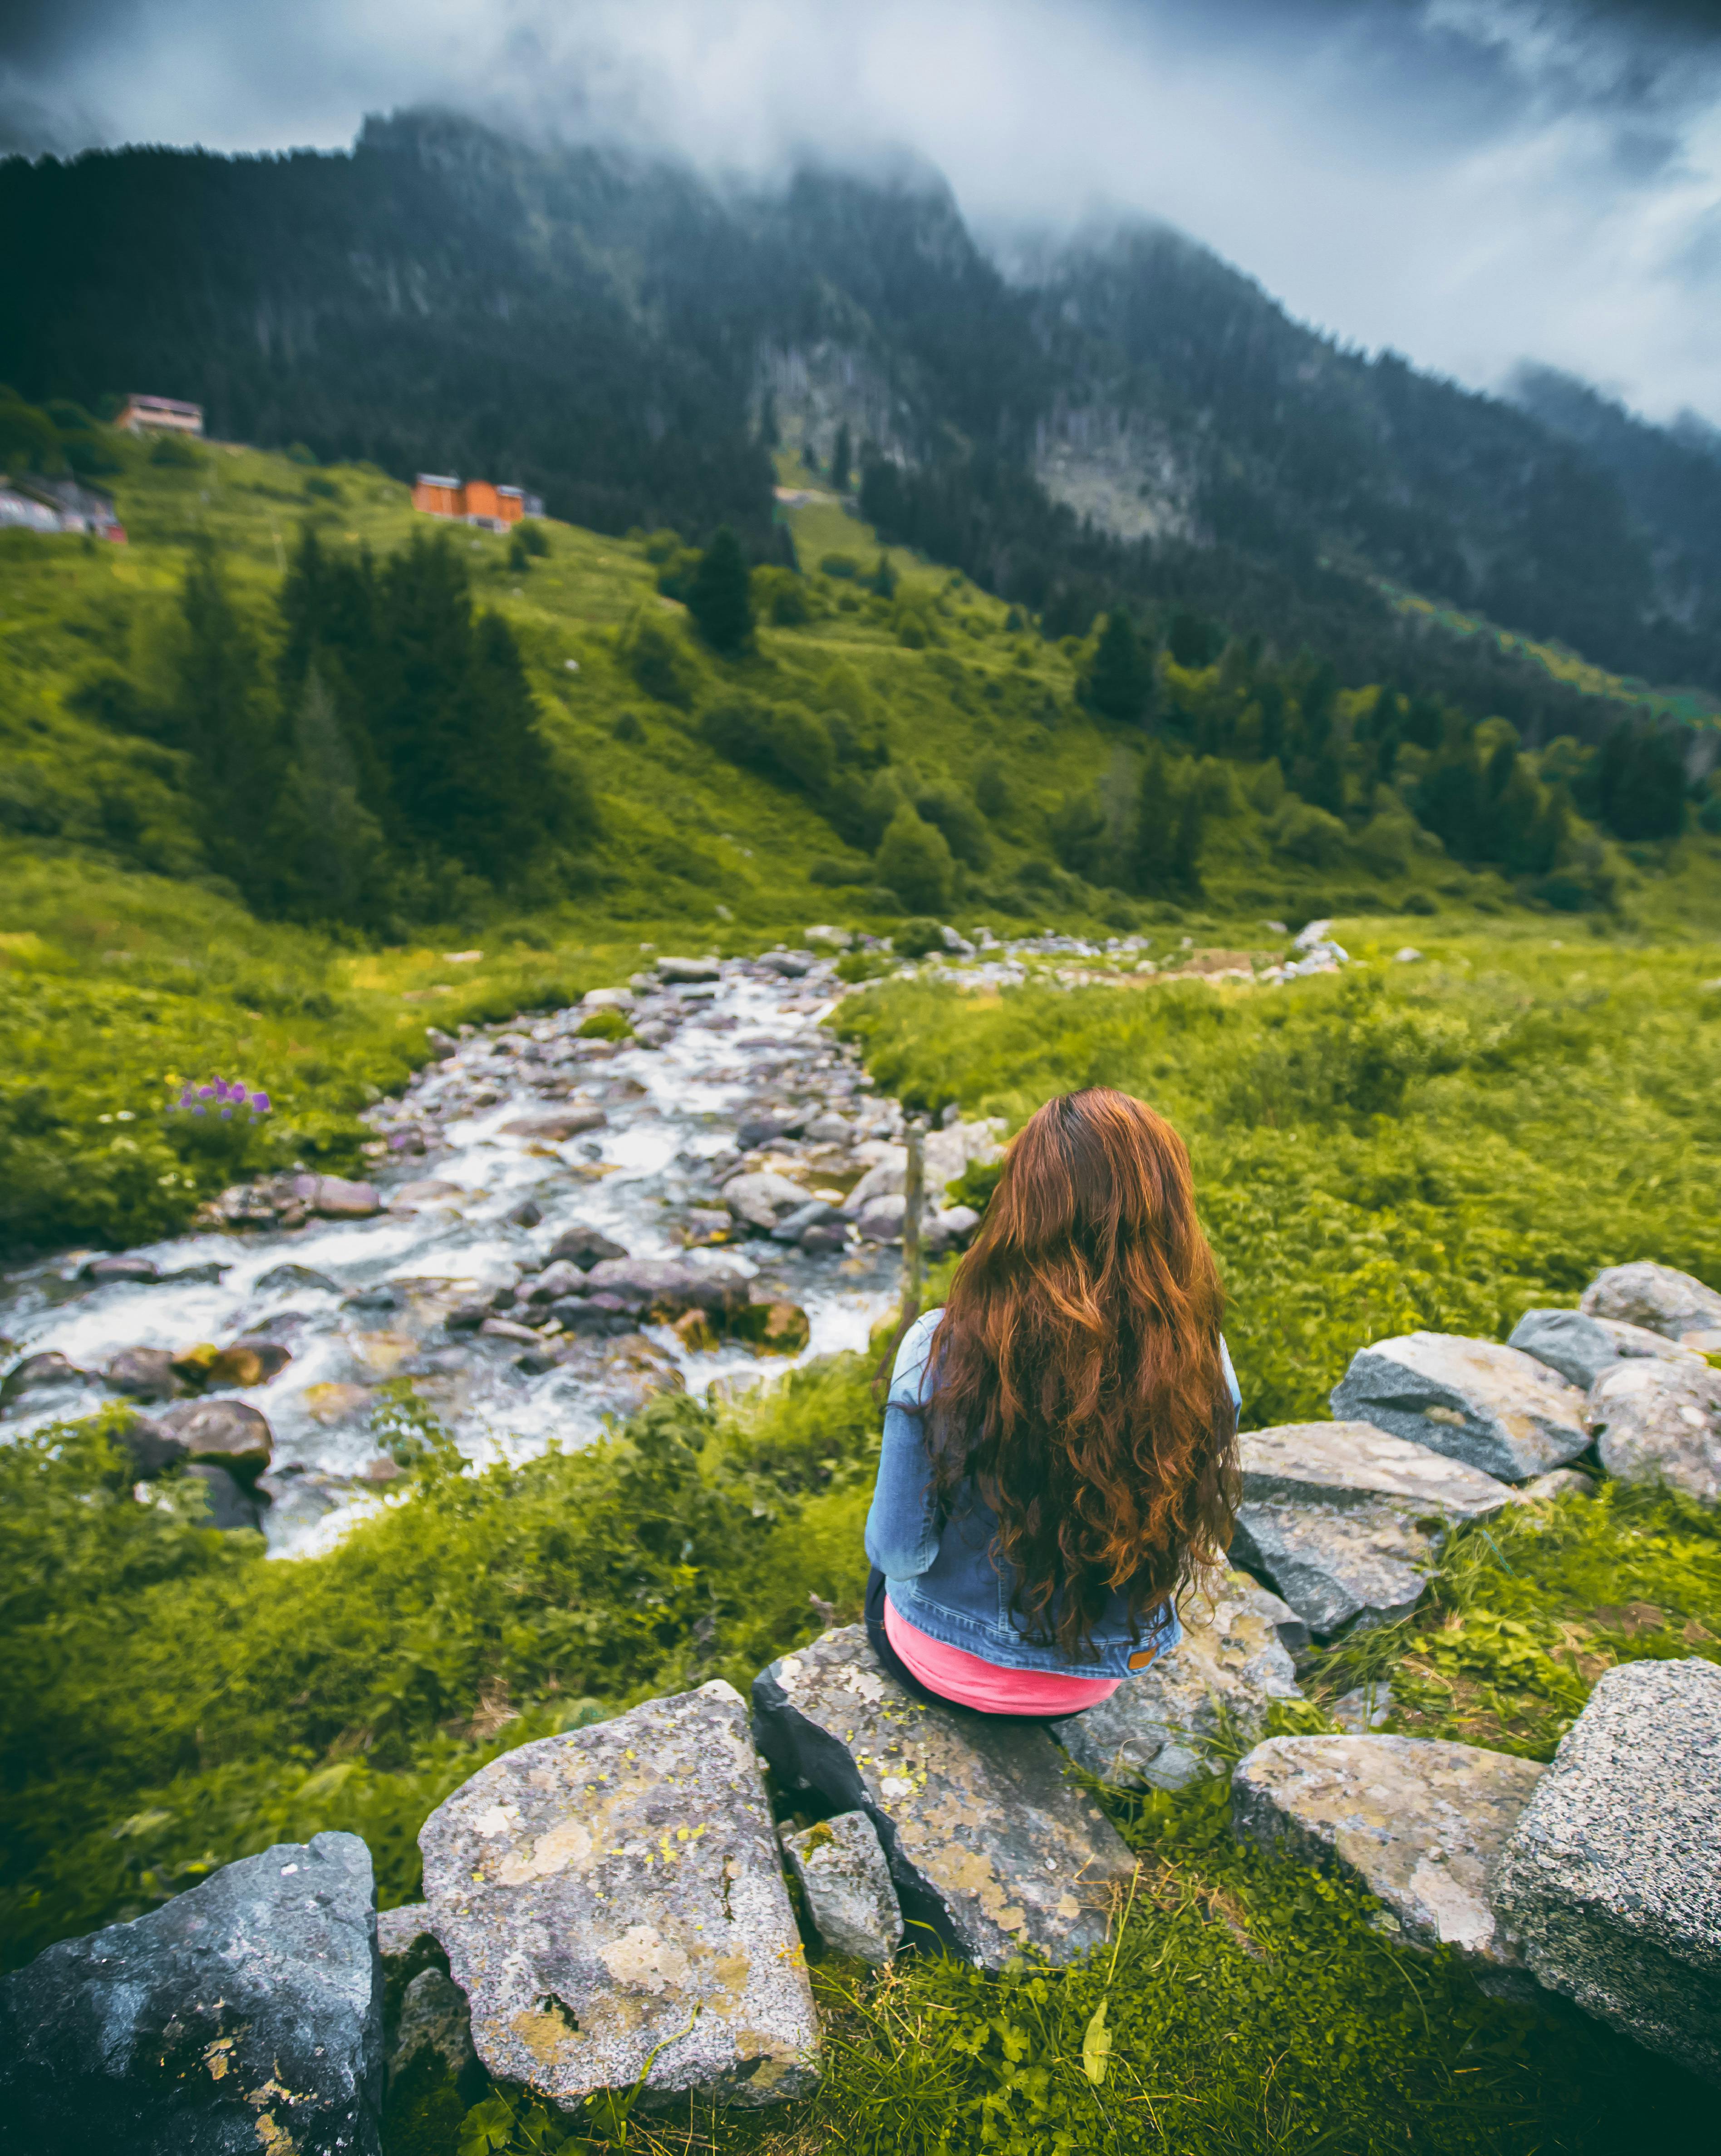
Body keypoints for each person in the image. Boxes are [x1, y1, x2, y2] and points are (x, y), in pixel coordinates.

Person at [864, 1085, 1240, 1718]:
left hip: (943, 1665)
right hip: (1089, 1683)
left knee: (884, 1570)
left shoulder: (941, 1343)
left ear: (1022, 1205)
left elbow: (898, 1552)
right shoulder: (1202, 1357)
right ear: (1170, 1209)